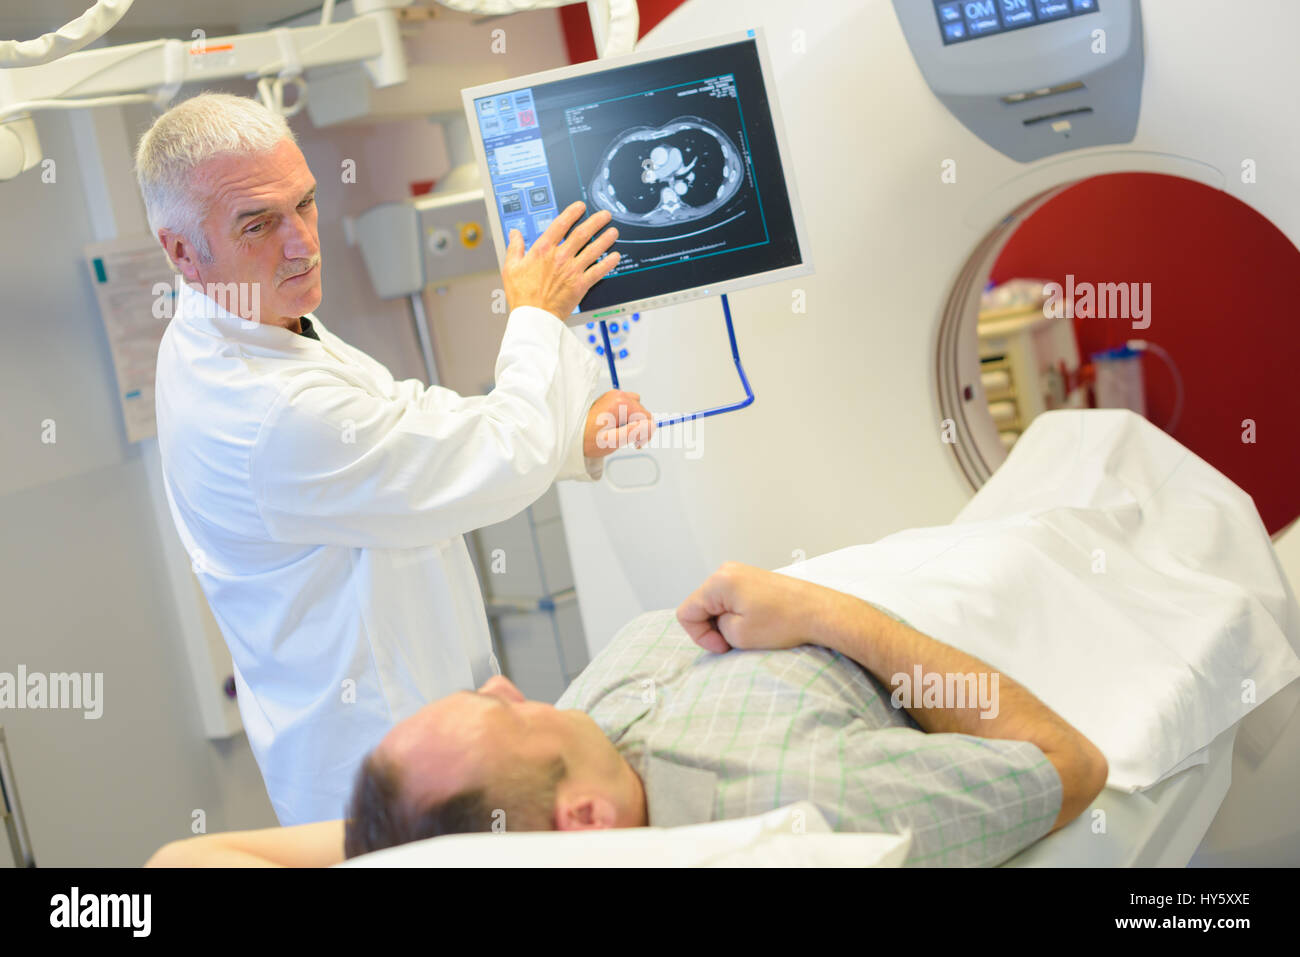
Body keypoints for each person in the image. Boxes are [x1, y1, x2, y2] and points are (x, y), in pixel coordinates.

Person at [137, 91, 652, 825]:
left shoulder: (251, 319)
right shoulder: (265, 410)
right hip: (375, 760)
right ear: (182, 251)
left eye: (305, 204)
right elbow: (491, 459)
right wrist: (536, 312)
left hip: (421, 727)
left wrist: (570, 439)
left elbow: (403, 426)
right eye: (258, 224)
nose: (301, 243)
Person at [146, 561, 1107, 868]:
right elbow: (1069, 764)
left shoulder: (534, 793)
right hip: (943, 585)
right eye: (513, 718)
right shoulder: (805, 798)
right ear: (586, 822)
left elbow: (179, 864)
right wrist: (826, 613)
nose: (505, 689)